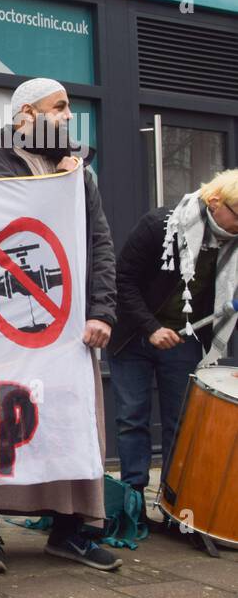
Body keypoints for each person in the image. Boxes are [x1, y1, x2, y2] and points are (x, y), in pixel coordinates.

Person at [0, 77, 122, 573]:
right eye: (59, 107)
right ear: (25, 116)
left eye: (69, 108)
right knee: (0, 414)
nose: (68, 116)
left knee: (69, 417)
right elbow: (0, 217)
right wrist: (60, 183)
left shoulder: (80, 173)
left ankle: (71, 530)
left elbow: (99, 244)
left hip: (68, 323)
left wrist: (102, 310)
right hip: (5, 323)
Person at [109, 170, 238, 515]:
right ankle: (131, 501)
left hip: (185, 338)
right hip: (135, 336)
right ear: (215, 202)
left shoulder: (233, 242)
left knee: (180, 425)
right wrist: (151, 327)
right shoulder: (159, 225)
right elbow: (123, 280)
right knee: (132, 418)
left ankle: (172, 503)